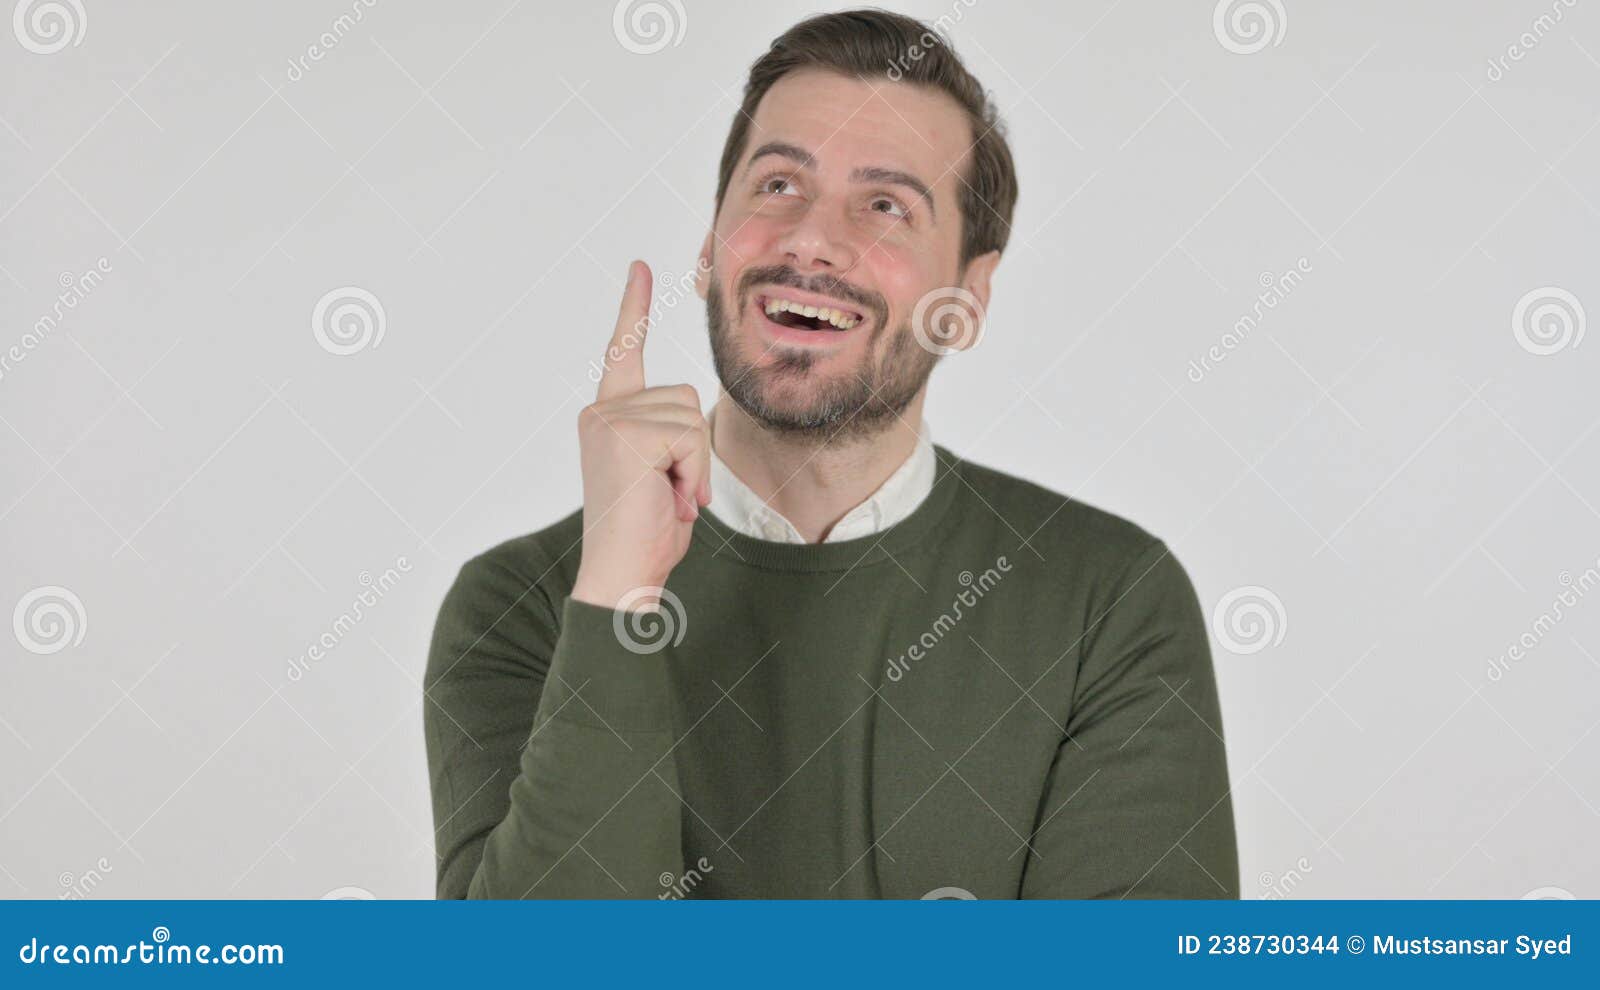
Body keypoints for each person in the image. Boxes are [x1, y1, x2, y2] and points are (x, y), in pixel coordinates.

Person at [425, 8, 1237, 899]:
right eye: (777, 185)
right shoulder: (520, 609)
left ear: (967, 296)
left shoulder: (1107, 599)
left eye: (887, 205)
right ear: (709, 246)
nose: (812, 238)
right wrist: (619, 592)